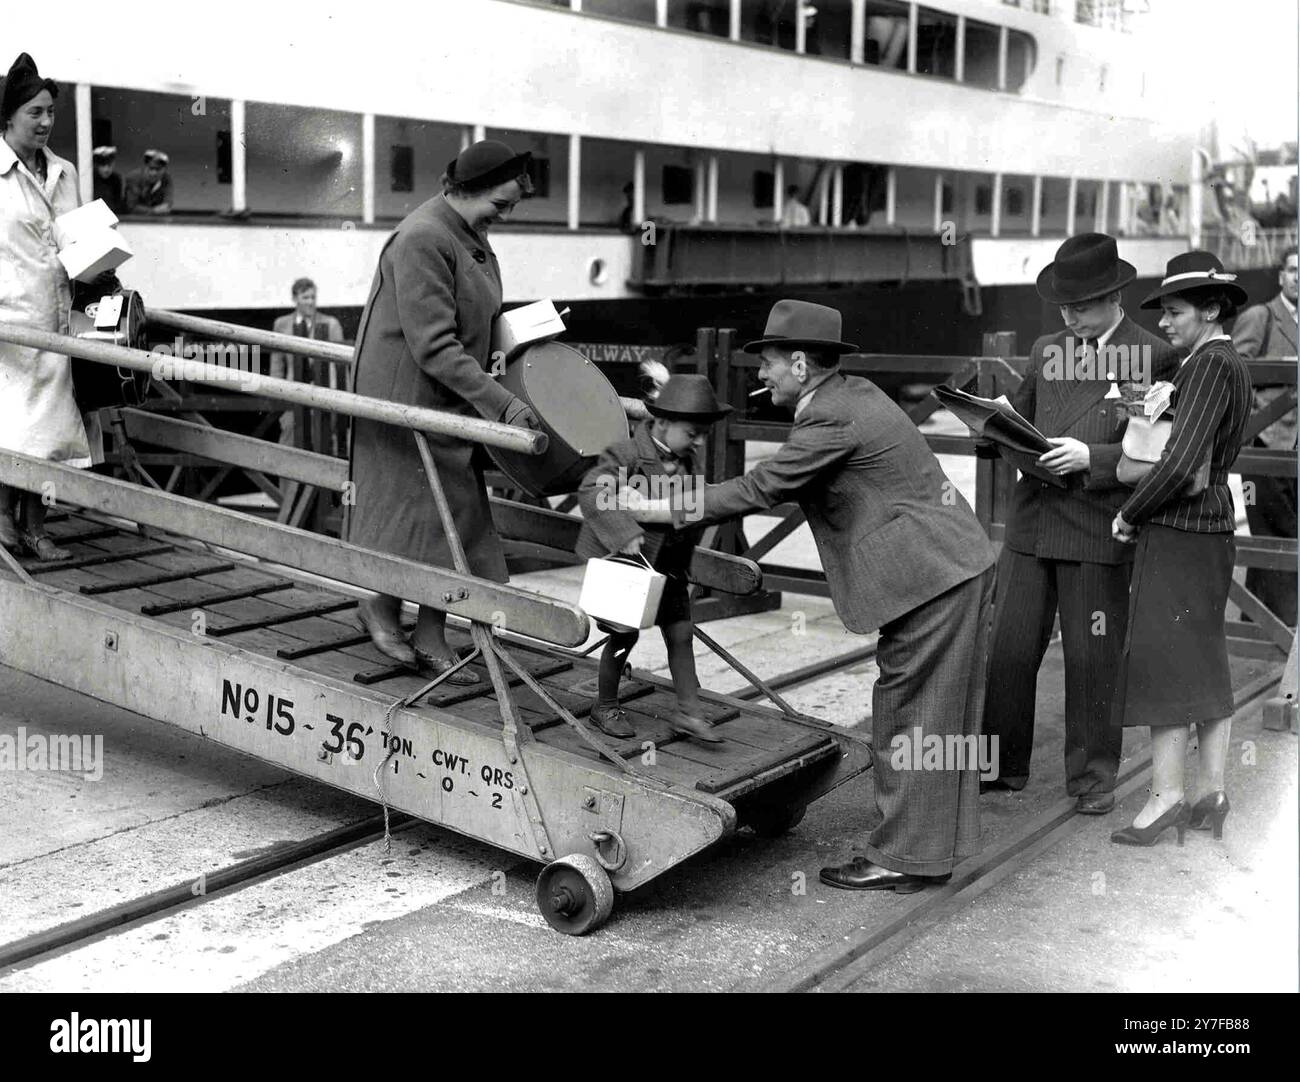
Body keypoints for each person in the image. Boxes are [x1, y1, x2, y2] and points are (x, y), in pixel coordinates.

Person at [625, 300, 997, 892]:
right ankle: (926, 851)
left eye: (768, 363)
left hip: (931, 577)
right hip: (946, 567)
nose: (761, 376)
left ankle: (903, 857)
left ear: (800, 363)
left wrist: (656, 507)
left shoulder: (830, 417)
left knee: (910, 718)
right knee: (934, 720)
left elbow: (761, 486)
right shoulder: (852, 395)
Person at [981, 233, 1179, 814]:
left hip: (1096, 523)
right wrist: (990, 424)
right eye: (1064, 307)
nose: (1070, 319)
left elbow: (1156, 451)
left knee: (1092, 659)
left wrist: (1091, 457)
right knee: (1008, 649)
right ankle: (1000, 766)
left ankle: (1093, 780)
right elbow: (1017, 420)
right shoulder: (1048, 349)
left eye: (1083, 307)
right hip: (1031, 523)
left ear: (1116, 297)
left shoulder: (1151, 355)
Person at [346, 139, 540, 684]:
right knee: (423, 515)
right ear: (468, 189)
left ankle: (418, 625)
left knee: (448, 514)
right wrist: (502, 404)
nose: (504, 216)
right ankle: (388, 611)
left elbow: (475, 319)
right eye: (500, 205)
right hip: (408, 396)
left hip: (449, 393)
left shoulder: (467, 232)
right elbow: (433, 345)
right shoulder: (424, 237)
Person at [1109, 252, 1253, 846]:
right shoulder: (1226, 363)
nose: (1164, 323)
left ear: (1211, 309)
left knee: (1165, 664)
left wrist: (1129, 512)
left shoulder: (1208, 366)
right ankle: (1210, 793)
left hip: (1180, 528)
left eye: (1174, 312)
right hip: (1211, 527)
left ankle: (1165, 797)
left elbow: (1179, 465)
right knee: (1203, 656)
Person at [576, 374, 731, 744]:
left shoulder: (688, 459)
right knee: (623, 635)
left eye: (703, 434)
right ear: (662, 422)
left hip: (670, 565)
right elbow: (592, 491)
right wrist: (623, 530)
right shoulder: (626, 455)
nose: (699, 441)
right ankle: (605, 705)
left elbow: (693, 504)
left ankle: (689, 712)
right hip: (628, 564)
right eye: (693, 433)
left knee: (680, 632)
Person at [0, 53, 90, 561]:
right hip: (8, 320)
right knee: (12, 424)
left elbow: (78, 238)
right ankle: (2, 521)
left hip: (57, 318)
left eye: (50, 112)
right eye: (34, 112)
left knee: (51, 431)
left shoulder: (64, 171)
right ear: (9, 115)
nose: (45, 122)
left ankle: (36, 527)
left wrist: (99, 260)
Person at [1232, 245, 1297, 627]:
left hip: (1294, 453)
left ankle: (1254, 626)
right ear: (1281, 276)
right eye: (1293, 270)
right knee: (1279, 537)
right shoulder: (1262, 316)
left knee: (1273, 541)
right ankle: (1285, 633)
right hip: (1267, 444)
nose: (1299, 278)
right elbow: (1236, 371)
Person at [269, 277, 345, 449]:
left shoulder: (331, 324)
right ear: (295, 298)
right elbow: (276, 365)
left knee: (325, 442)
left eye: (313, 297)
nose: (310, 302)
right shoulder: (282, 324)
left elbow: (340, 370)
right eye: (305, 297)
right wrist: (278, 394)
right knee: (289, 440)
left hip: (325, 396)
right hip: (292, 396)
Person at [123, 149, 172, 215]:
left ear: (164, 169)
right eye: (151, 168)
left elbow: (167, 204)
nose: (153, 173)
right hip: (131, 218)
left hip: (156, 218)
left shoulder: (166, 178)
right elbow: (131, 207)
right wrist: (153, 211)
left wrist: (165, 207)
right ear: (145, 167)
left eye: (158, 169)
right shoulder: (134, 178)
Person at [91, 145, 125, 215]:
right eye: (103, 165)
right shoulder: (91, 180)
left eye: (109, 165)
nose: (106, 169)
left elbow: (118, 203)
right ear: (97, 165)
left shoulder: (116, 179)